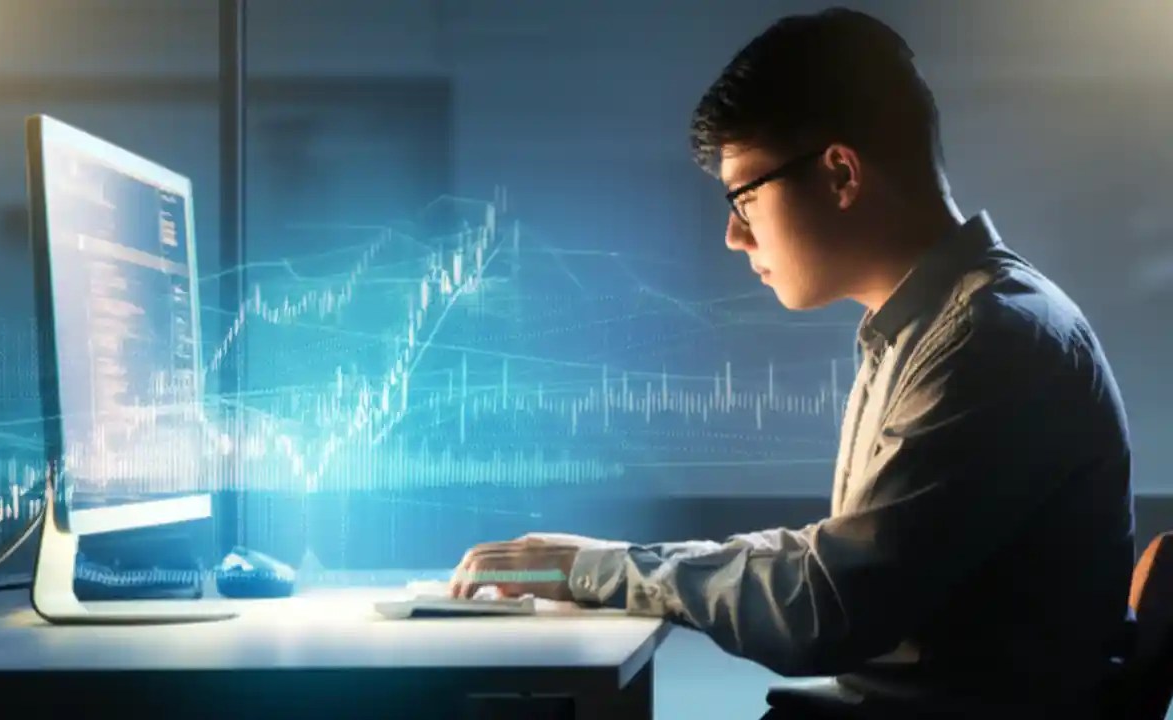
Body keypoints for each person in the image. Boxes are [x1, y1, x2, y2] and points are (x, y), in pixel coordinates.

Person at [447, 6, 1136, 719]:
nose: (732, 234)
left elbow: (828, 609)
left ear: (840, 173)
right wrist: (609, 565)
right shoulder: (934, 327)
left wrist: (601, 570)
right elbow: (836, 562)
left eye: (745, 197)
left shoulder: (984, 341)